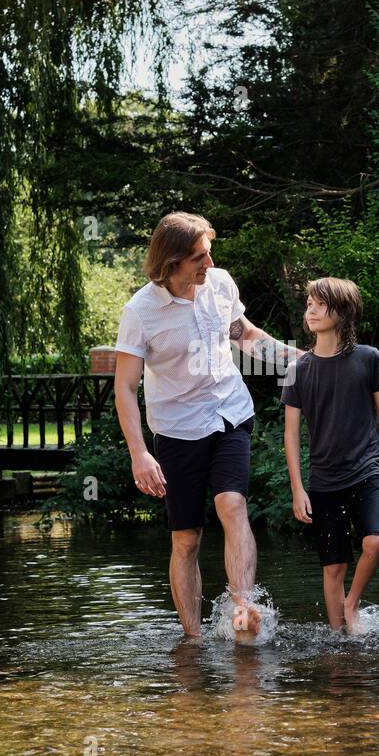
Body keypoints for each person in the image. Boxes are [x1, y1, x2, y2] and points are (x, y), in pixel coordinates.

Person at [113, 212, 304, 642]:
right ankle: (194, 641)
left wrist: (294, 357)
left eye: (209, 252)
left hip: (229, 412)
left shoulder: (219, 285)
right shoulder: (141, 311)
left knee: (232, 504)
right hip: (177, 430)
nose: (209, 263)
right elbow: (125, 388)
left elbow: (243, 334)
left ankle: (242, 609)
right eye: (199, 256)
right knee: (187, 538)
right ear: (172, 262)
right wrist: (139, 453)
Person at [282, 277, 379, 633]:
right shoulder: (297, 369)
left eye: (320, 304)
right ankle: (338, 642)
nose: (311, 310)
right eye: (309, 304)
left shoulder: (368, 358)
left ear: (342, 312)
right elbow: (290, 433)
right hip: (323, 480)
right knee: (333, 568)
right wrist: (297, 489)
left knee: (375, 541)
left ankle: (352, 604)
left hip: (366, 469)